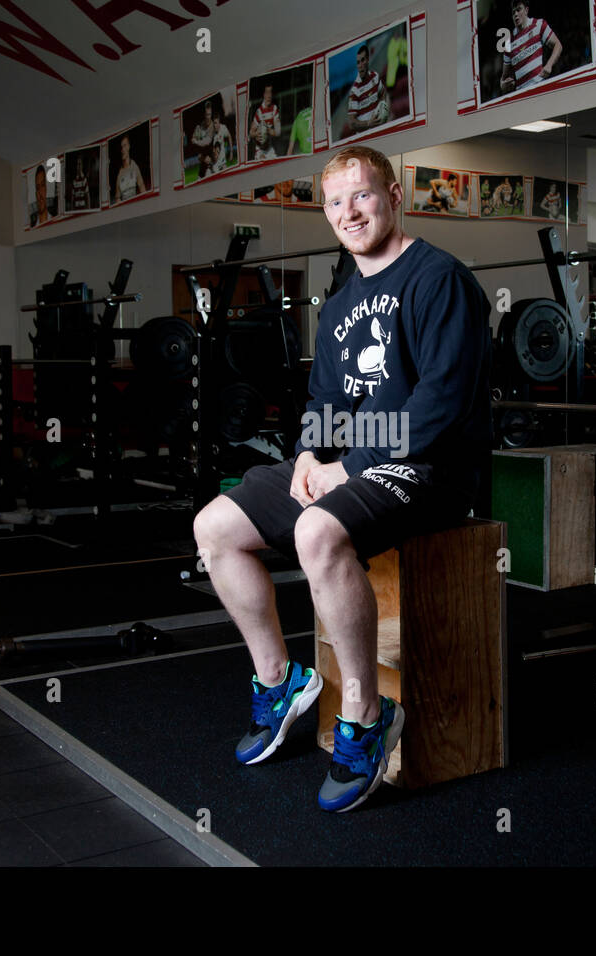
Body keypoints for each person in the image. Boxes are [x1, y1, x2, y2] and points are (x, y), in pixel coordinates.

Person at [192, 146, 492, 813]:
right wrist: (305, 456)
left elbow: (439, 404)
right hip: (354, 465)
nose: (349, 212)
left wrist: (345, 467)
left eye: (361, 195)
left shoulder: (439, 280)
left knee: (317, 532)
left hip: (431, 470)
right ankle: (279, 681)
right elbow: (325, 400)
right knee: (213, 525)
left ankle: (364, 711)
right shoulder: (341, 302)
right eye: (335, 202)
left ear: (393, 194)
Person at [499, 1, 563, 94]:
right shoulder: (509, 42)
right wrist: (502, 85)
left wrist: (549, 65)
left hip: (539, 85)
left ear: (526, 10)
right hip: (521, 93)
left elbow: (558, 45)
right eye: (513, 12)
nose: (516, 14)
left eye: (518, 10)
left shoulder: (538, 24)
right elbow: (504, 77)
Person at [345, 44, 390, 135]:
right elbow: (352, 123)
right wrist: (369, 123)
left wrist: (382, 109)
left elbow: (382, 94)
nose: (360, 65)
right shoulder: (354, 90)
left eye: (362, 60)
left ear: (368, 60)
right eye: (358, 62)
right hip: (366, 136)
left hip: (379, 130)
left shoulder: (375, 76)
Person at [250, 83, 283, 161]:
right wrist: (256, 134)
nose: (269, 95)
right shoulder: (259, 112)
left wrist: (267, 130)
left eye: (271, 92)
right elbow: (251, 133)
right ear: (264, 94)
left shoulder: (274, 109)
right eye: (267, 92)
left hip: (269, 148)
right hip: (260, 150)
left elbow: (278, 132)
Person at [113, 134, 145, 201]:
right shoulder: (119, 174)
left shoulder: (134, 166)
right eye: (121, 147)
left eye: (125, 145)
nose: (123, 149)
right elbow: (117, 197)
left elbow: (142, 187)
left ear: (129, 146)